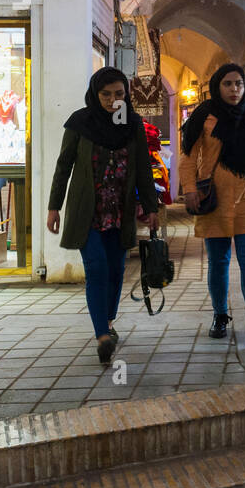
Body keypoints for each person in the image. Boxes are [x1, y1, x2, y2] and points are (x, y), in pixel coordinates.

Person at [47, 67, 160, 364]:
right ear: (95, 94)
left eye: (119, 94)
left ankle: (108, 322)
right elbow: (63, 166)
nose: (113, 101)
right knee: (96, 269)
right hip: (89, 211)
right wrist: (53, 206)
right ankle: (102, 336)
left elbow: (144, 170)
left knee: (116, 271)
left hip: (120, 211)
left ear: (127, 95)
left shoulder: (133, 125)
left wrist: (151, 207)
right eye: (106, 94)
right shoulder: (80, 123)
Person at [179, 63, 245, 347]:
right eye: (227, 84)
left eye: (239, 84)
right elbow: (188, 157)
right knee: (218, 261)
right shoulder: (204, 116)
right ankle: (219, 316)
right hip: (212, 199)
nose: (234, 89)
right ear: (217, 86)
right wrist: (189, 189)